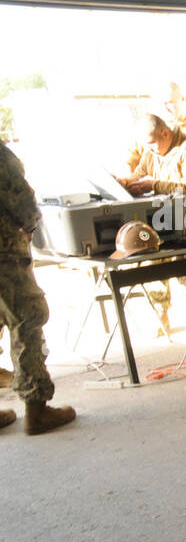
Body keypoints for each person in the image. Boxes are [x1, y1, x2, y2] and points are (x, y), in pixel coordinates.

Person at [118, 114, 186, 351]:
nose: (148, 149)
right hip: (178, 227)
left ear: (165, 134)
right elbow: (139, 175)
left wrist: (154, 184)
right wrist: (124, 182)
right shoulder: (152, 153)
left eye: (151, 143)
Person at [0, 141, 76, 435]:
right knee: (27, 321)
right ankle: (37, 410)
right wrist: (30, 225)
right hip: (4, 254)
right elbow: (20, 199)